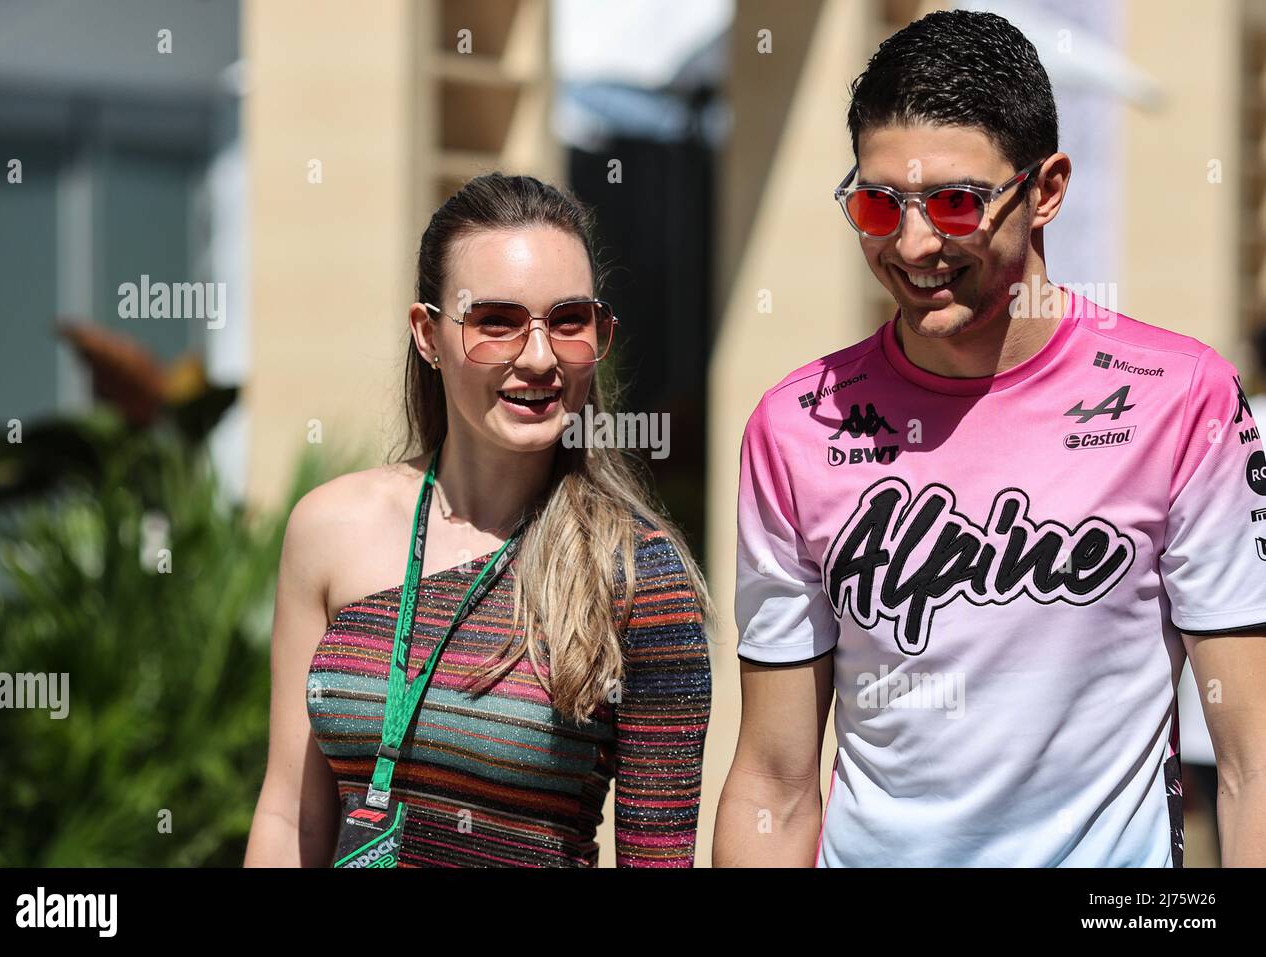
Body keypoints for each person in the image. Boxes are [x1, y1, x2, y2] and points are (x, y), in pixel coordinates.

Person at [715, 9, 1266, 867]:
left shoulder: (1182, 399)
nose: (915, 242)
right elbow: (775, 782)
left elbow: (1251, 763)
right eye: (876, 203)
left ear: (1046, 189)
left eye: (957, 203)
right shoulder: (795, 425)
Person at [245, 172, 712, 867]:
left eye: (569, 321)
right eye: (497, 322)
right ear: (428, 334)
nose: (539, 357)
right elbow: (290, 818)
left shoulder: (638, 576)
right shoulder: (329, 530)